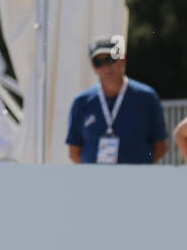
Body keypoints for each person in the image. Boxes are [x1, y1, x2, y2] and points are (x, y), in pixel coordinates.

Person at [66, 36, 167, 164]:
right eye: (99, 62)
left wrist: (139, 171)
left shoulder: (147, 97)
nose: (106, 66)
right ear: (93, 66)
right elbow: (74, 151)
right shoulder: (81, 102)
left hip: (136, 181)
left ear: (122, 58)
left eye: (111, 59)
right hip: (94, 181)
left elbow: (160, 146)